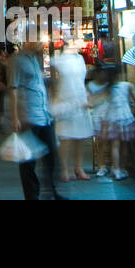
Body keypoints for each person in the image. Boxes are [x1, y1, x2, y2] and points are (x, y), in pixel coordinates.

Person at [11, 34, 64, 200]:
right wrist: (15, 116)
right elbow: (13, 88)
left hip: (44, 115)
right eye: (39, 40)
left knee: (50, 157)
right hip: (29, 117)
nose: (41, 43)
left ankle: (52, 191)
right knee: (28, 162)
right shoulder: (17, 60)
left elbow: (47, 81)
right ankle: (31, 195)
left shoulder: (38, 59)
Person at [53, 43, 93, 181]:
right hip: (66, 99)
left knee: (80, 137)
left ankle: (78, 167)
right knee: (66, 138)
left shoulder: (80, 59)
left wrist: (85, 94)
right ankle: (64, 168)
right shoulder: (61, 59)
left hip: (80, 99)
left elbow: (80, 79)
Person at [102, 65, 135, 181]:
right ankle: (122, 168)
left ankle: (116, 170)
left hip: (112, 118)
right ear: (121, 74)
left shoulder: (108, 88)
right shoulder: (128, 85)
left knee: (115, 146)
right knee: (125, 145)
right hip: (126, 117)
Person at [86, 65, 113, 176]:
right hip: (97, 116)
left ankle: (112, 165)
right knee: (100, 142)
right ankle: (102, 166)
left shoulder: (109, 85)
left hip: (108, 116)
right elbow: (89, 101)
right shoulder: (90, 86)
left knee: (109, 142)